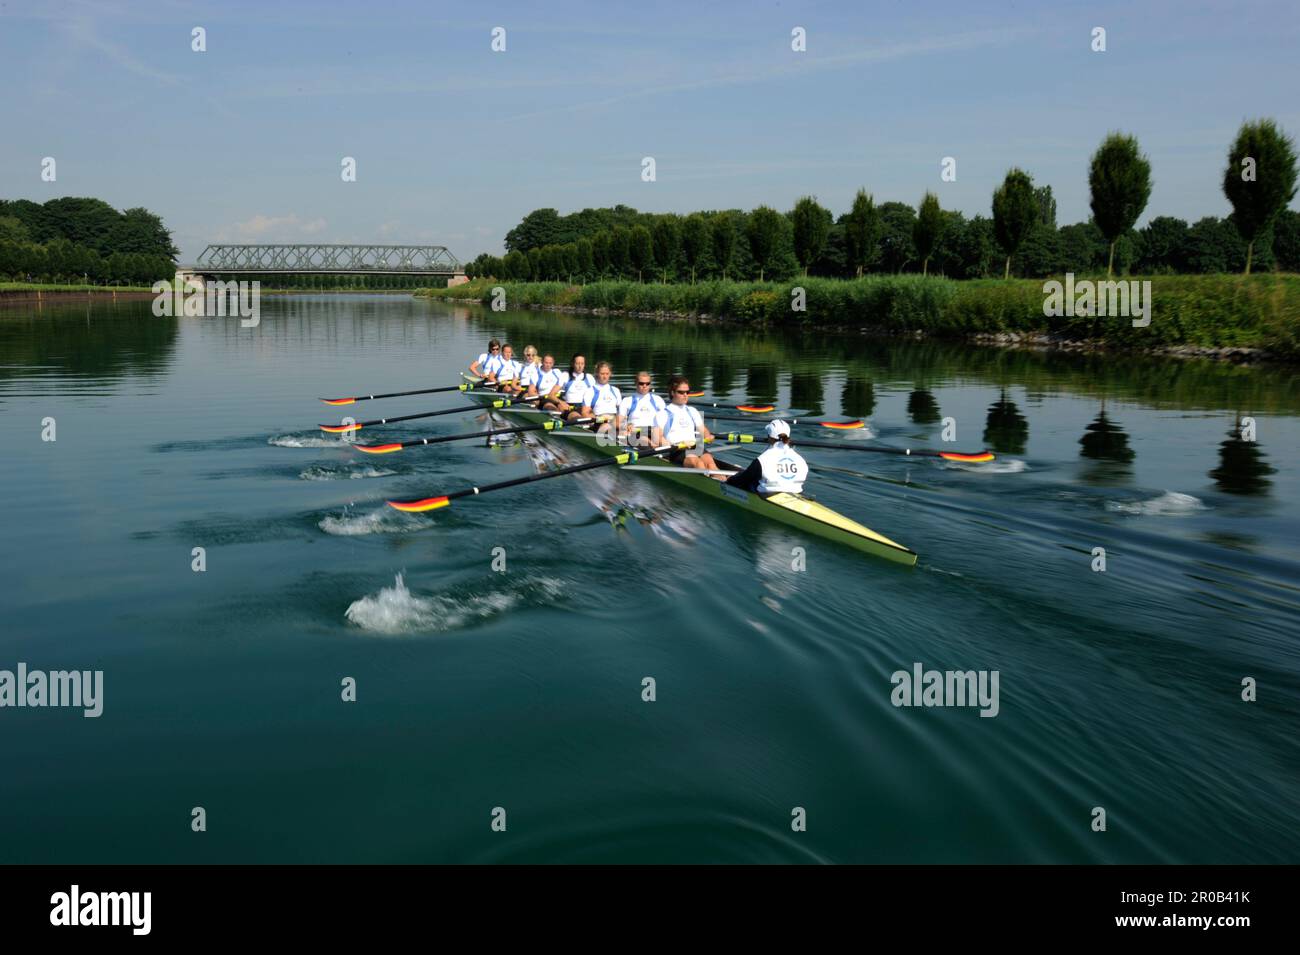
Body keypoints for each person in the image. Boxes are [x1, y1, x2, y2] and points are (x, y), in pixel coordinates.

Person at [652, 375, 720, 471]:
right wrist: (673, 444)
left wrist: (708, 436)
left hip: (695, 446)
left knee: (711, 464)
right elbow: (657, 438)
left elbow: (703, 430)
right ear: (672, 392)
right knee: (699, 464)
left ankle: (721, 479)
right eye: (681, 392)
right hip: (676, 450)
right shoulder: (662, 414)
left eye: (687, 392)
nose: (685, 395)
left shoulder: (692, 411)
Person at [725, 420, 809, 494]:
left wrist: (729, 480)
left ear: (769, 437)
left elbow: (743, 479)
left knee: (742, 480)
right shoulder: (801, 460)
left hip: (766, 494)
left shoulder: (762, 460)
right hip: (796, 492)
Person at [617, 371, 665, 445]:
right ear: (636, 383)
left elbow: (665, 419)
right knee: (643, 439)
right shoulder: (627, 401)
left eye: (647, 383)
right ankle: (655, 448)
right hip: (635, 432)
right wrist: (625, 426)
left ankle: (664, 448)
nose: (644, 386)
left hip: (653, 432)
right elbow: (618, 422)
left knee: (664, 441)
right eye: (641, 383)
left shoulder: (658, 400)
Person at [547, 353, 593, 420]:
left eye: (582, 363)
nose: (580, 366)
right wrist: (561, 402)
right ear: (572, 364)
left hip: (585, 408)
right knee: (578, 418)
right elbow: (551, 395)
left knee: (594, 420)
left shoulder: (589, 378)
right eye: (577, 363)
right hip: (569, 408)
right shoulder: (565, 376)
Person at [581, 361, 623, 434]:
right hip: (598, 421)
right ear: (597, 374)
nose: (605, 376)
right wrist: (597, 419)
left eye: (607, 374)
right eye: (602, 374)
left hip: (614, 420)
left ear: (610, 374)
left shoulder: (615, 390)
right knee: (609, 427)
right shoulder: (590, 391)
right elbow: (585, 412)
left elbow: (622, 411)